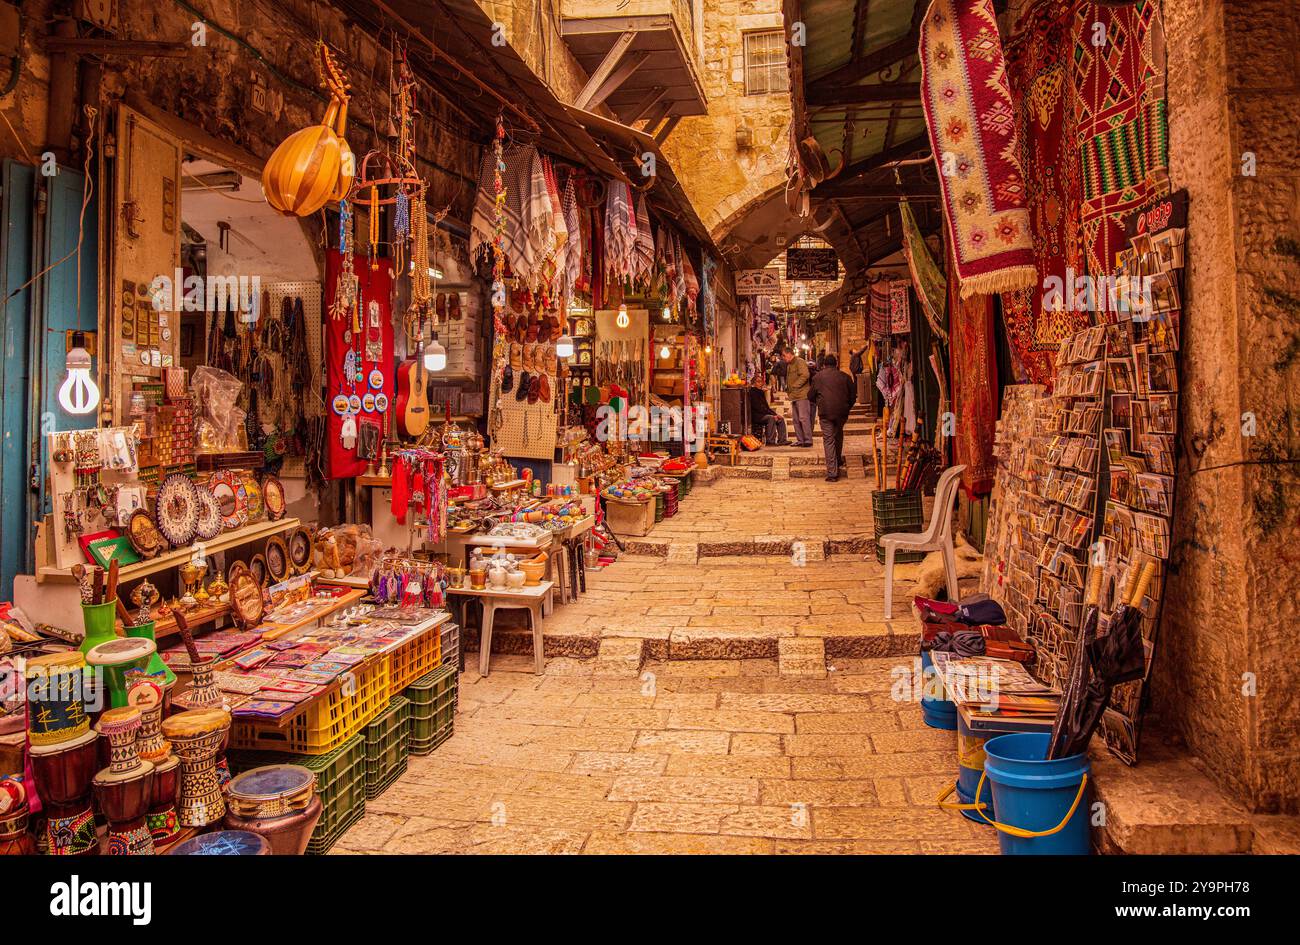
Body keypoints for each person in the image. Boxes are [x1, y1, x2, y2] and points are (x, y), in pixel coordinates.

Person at [809, 353, 856, 481]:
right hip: (842, 412)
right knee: (838, 434)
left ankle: (832, 473)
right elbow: (853, 396)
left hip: (825, 412)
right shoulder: (845, 377)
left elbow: (810, 395)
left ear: (824, 365)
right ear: (836, 364)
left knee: (829, 439)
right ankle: (838, 460)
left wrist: (819, 402)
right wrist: (846, 407)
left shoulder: (817, 377)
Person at [783, 347, 813, 448]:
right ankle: (800, 440)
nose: (783, 358)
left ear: (789, 354)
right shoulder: (789, 365)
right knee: (796, 419)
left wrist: (795, 385)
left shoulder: (800, 361)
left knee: (803, 418)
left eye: (784, 355)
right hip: (794, 395)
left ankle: (808, 440)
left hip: (802, 395)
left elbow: (805, 375)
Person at [747, 378, 787, 445]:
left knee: (780, 418)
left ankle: (782, 440)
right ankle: (770, 441)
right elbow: (758, 408)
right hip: (757, 415)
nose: (760, 384)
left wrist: (776, 414)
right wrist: (773, 416)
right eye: (758, 382)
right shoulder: (752, 392)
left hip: (763, 414)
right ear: (753, 383)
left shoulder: (761, 392)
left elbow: (766, 407)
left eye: (761, 382)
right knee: (771, 418)